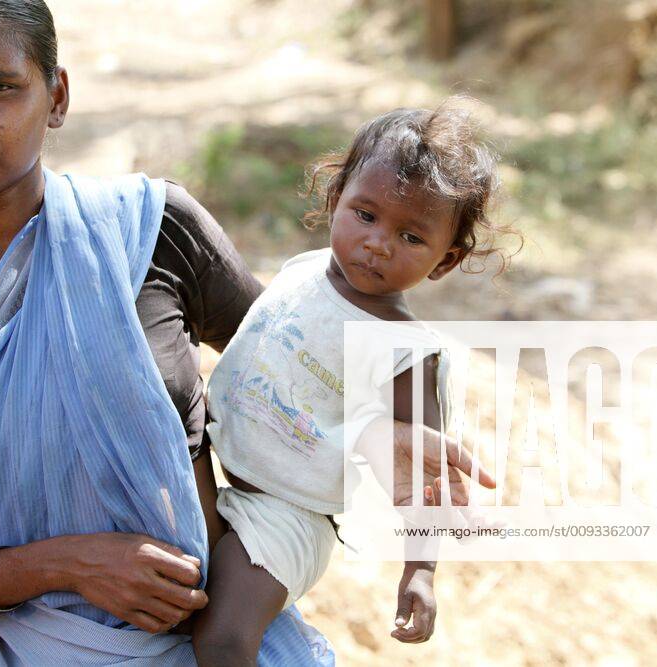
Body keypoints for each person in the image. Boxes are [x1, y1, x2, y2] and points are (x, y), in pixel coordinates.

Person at [0, 1, 486, 664]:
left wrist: (383, 434)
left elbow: (291, 367)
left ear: (56, 97)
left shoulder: (152, 233)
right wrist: (55, 565)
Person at [192, 105, 510, 665]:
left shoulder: (408, 353)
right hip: (214, 461)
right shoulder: (306, 269)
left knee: (221, 639)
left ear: (446, 260)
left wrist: (421, 573)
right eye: (365, 215)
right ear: (335, 198)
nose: (379, 243)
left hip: (285, 515)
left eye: (411, 236)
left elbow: (423, 478)